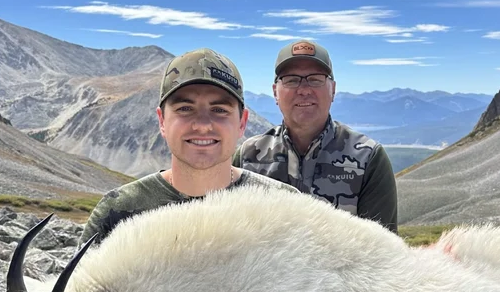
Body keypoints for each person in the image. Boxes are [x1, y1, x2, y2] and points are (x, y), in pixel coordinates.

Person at [81, 48, 295, 245]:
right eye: (185, 108)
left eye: (219, 110)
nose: (202, 125)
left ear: (242, 123)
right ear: (162, 121)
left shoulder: (287, 207)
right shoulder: (115, 213)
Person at [234, 40, 398, 231]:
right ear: (275, 93)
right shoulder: (248, 156)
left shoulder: (368, 158)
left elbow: (383, 250)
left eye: (315, 79)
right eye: (291, 80)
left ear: (333, 90)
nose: (304, 90)